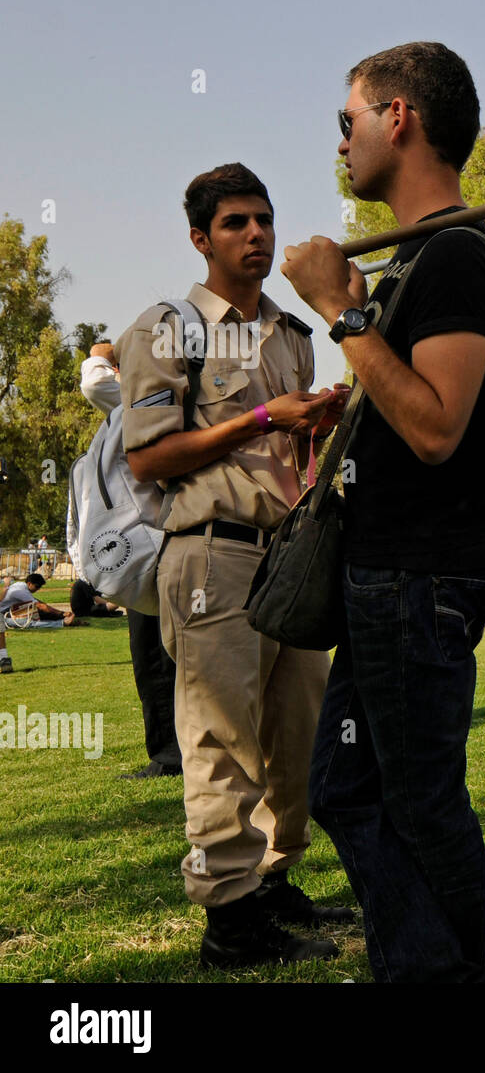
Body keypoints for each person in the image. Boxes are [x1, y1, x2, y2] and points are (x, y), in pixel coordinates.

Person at [282, 41, 485, 982]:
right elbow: (407, 401)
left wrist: (343, 315)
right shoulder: (423, 257)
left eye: (347, 120)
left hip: (417, 581)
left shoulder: (458, 255)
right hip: (389, 574)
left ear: (398, 118)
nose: (339, 141)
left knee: (418, 803)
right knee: (348, 785)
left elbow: (437, 428)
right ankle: (428, 965)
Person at [116, 162, 353, 968]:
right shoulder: (166, 328)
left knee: (298, 733)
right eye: (235, 224)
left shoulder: (291, 335)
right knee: (222, 740)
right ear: (200, 238)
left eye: (265, 220)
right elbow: (148, 459)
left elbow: (290, 447)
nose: (256, 235)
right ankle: (229, 918)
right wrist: (260, 414)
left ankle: (273, 880)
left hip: (289, 556)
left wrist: (316, 421)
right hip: (212, 554)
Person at [78, 342, 183, 779]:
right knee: (149, 658)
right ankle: (166, 752)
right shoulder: (116, 418)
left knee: (166, 658)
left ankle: (175, 755)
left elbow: (95, 380)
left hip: (158, 545)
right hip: (142, 550)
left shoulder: (138, 395)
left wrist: (104, 350)